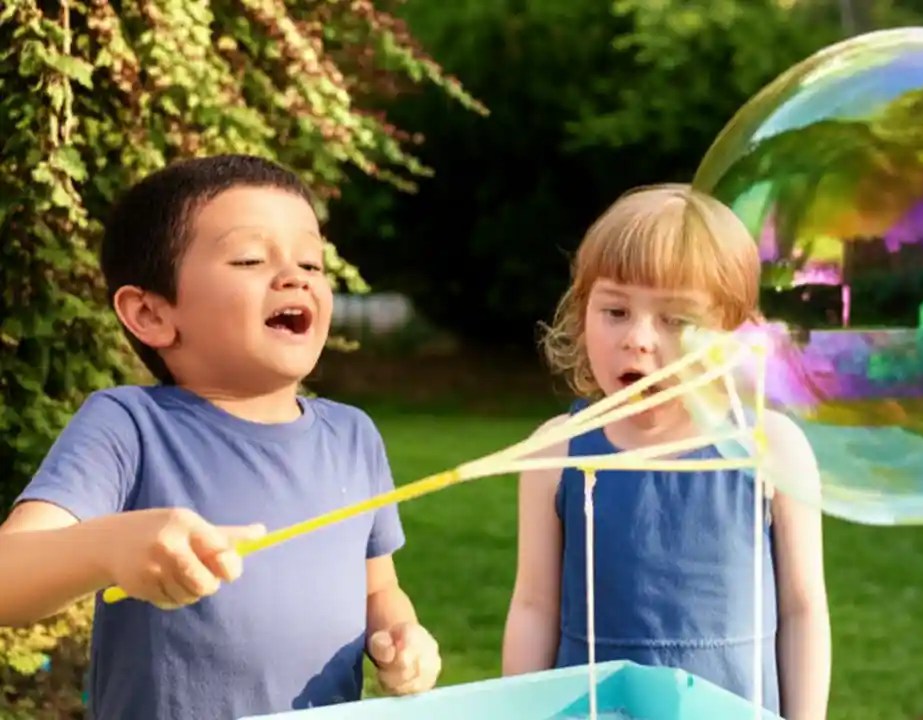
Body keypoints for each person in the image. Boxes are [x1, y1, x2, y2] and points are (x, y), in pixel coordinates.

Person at [0, 155, 440, 719]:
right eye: (251, 258)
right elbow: (10, 574)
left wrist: (401, 634)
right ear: (151, 314)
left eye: (311, 260)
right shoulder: (129, 425)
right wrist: (111, 545)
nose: (295, 276)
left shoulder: (353, 436)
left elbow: (377, 587)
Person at [501, 184, 831, 719]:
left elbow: (802, 609)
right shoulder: (555, 453)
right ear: (583, 312)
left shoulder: (770, 448)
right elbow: (535, 606)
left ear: (731, 334)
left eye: (675, 320)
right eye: (615, 311)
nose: (638, 338)